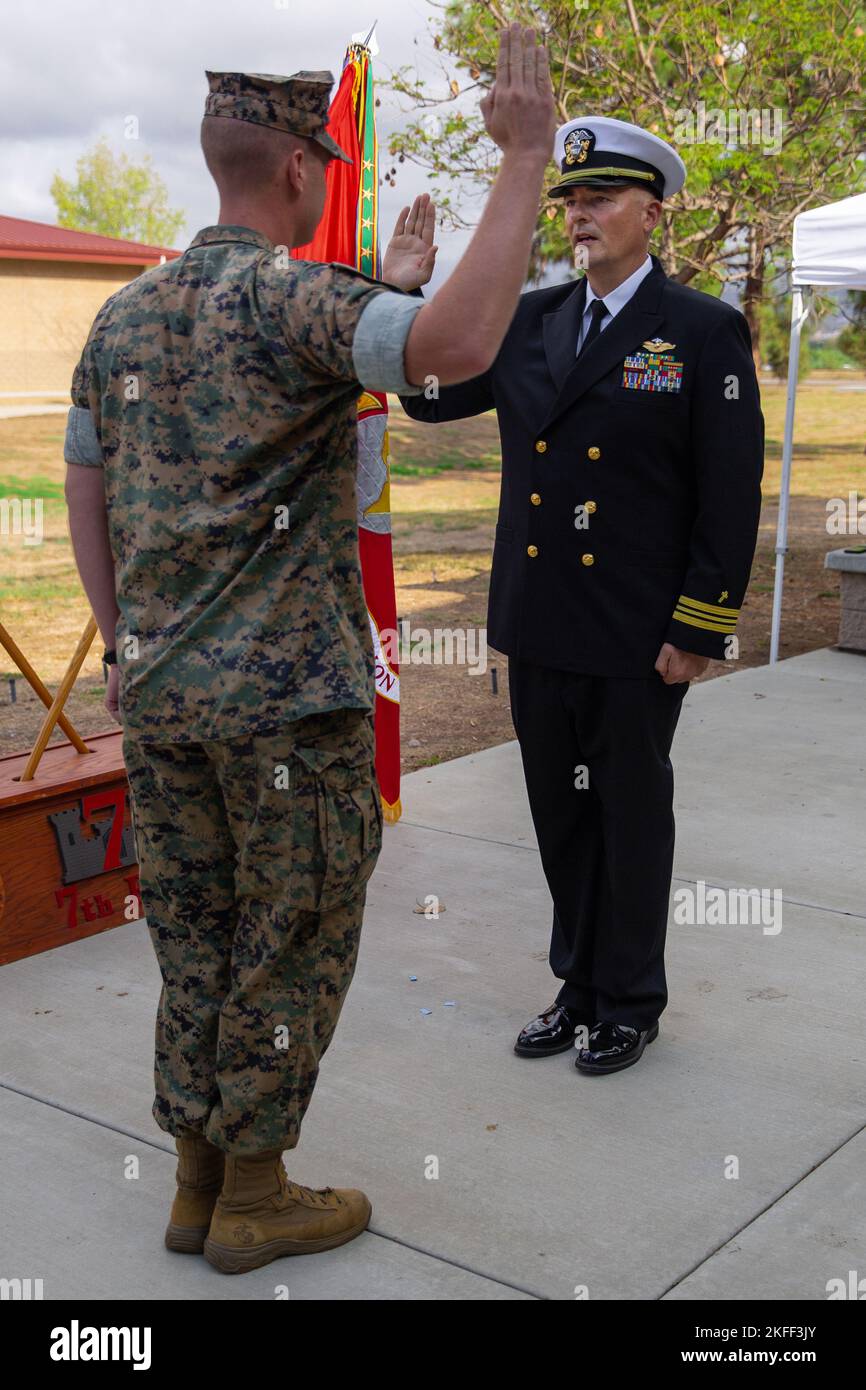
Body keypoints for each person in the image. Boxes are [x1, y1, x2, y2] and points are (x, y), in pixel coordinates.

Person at [63, 28, 557, 1273]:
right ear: (297, 169)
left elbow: (85, 486)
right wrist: (523, 160)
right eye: (324, 166)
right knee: (289, 937)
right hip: (286, 712)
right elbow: (456, 348)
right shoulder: (293, 299)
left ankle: (195, 1183)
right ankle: (255, 1197)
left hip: (162, 700)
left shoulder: (124, 317)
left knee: (195, 934)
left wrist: (126, 644)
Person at [398, 115, 764, 1077]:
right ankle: (579, 988)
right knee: (560, 816)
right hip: (541, 618)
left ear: (653, 212)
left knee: (629, 817)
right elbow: (428, 394)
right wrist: (405, 295)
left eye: (601, 197)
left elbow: (730, 492)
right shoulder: (530, 319)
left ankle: (630, 1002)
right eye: (570, 200)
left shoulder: (701, 329)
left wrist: (702, 624)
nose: (579, 214)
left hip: (639, 632)